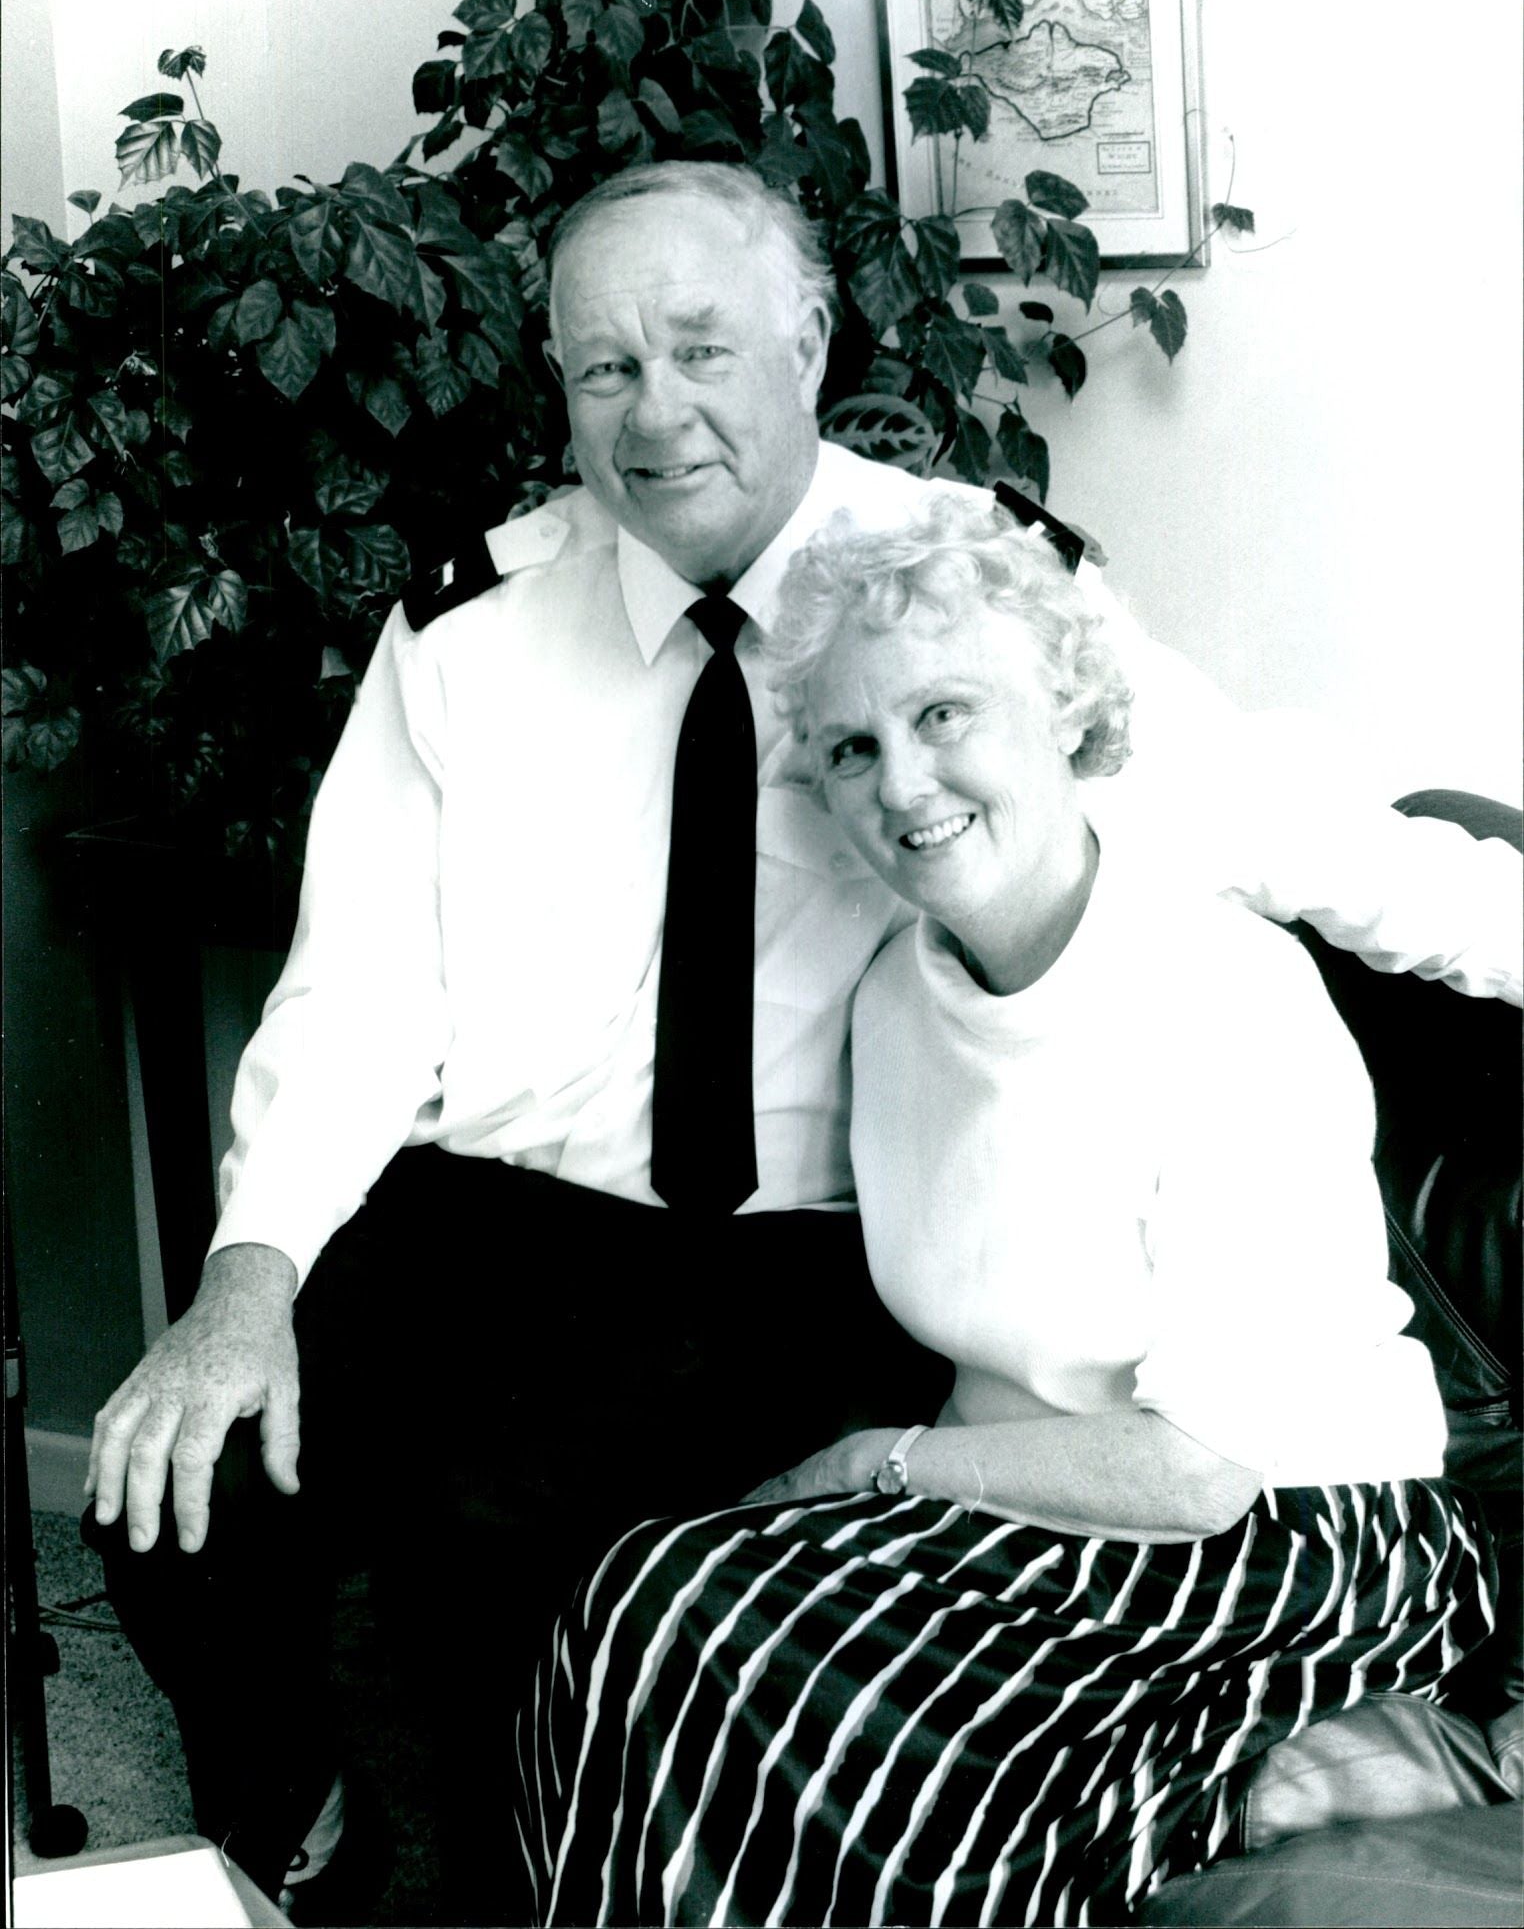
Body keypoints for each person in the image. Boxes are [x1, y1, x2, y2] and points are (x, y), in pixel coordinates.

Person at [80, 162, 1518, 1918]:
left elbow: (1314, 841)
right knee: (176, 1492)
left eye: (701, 348)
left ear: (810, 341)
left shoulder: (958, 599)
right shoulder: (465, 629)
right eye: (604, 369)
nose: (656, 411)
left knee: (487, 1559)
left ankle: (443, 1886)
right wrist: (249, 1282)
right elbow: (355, 990)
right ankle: (316, 1850)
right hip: (498, 1211)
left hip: (793, 1258)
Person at [512, 496, 1497, 1928]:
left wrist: (881, 1467)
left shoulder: (1224, 996)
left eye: (946, 715)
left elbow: (1203, 1470)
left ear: (1073, 721)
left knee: (685, 1615)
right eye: (854, 749)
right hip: (1044, 1526)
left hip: (1295, 1539)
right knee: (648, 1607)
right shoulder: (896, 1003)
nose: (904, 785)